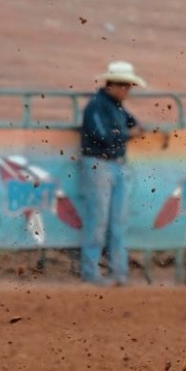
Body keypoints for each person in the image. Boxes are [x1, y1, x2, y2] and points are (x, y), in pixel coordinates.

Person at [78, 60, 146, 286]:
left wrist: (126, 132)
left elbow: (130, 125)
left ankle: (118, 273)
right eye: (125, 86)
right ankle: (92, 273)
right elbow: (102, 137)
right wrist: (127, 134)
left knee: (116, 222)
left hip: (112, 164)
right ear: (113, 85)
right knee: (99, 220)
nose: (127, 91)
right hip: (100, 163)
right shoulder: (96, 106)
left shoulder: (114, 106)